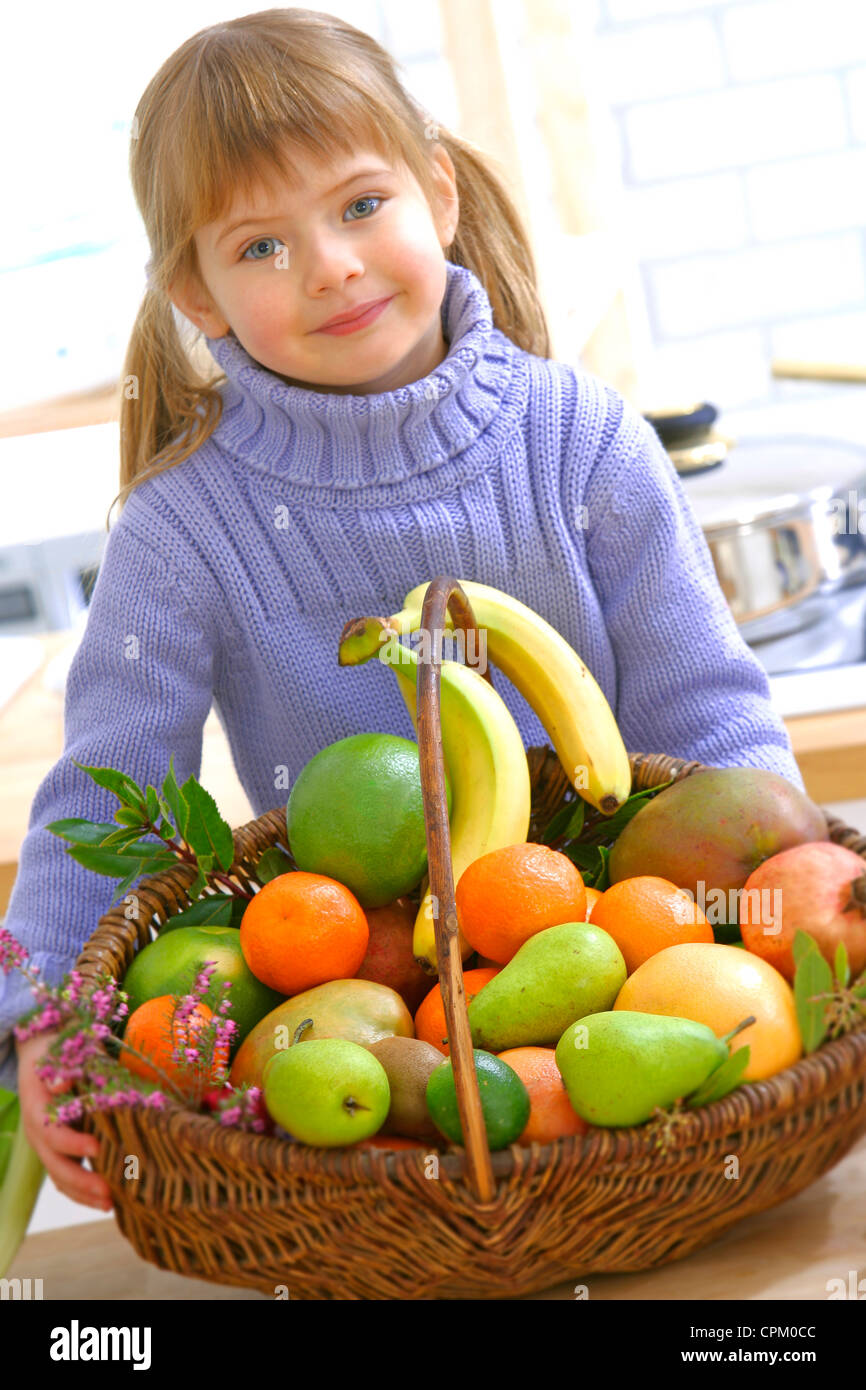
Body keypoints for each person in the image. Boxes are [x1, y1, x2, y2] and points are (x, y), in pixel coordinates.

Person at [2, 9, 804, 1212]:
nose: (327, 263)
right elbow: (98, 792)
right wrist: (47, 1019)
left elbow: (707, 712)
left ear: (438, 189)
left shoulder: (578, 440)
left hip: (628, 961)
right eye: (259, 247)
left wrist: (786, 908)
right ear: (197, 292)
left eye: (361, 205)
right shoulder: (179, 533)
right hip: (349, 1010)